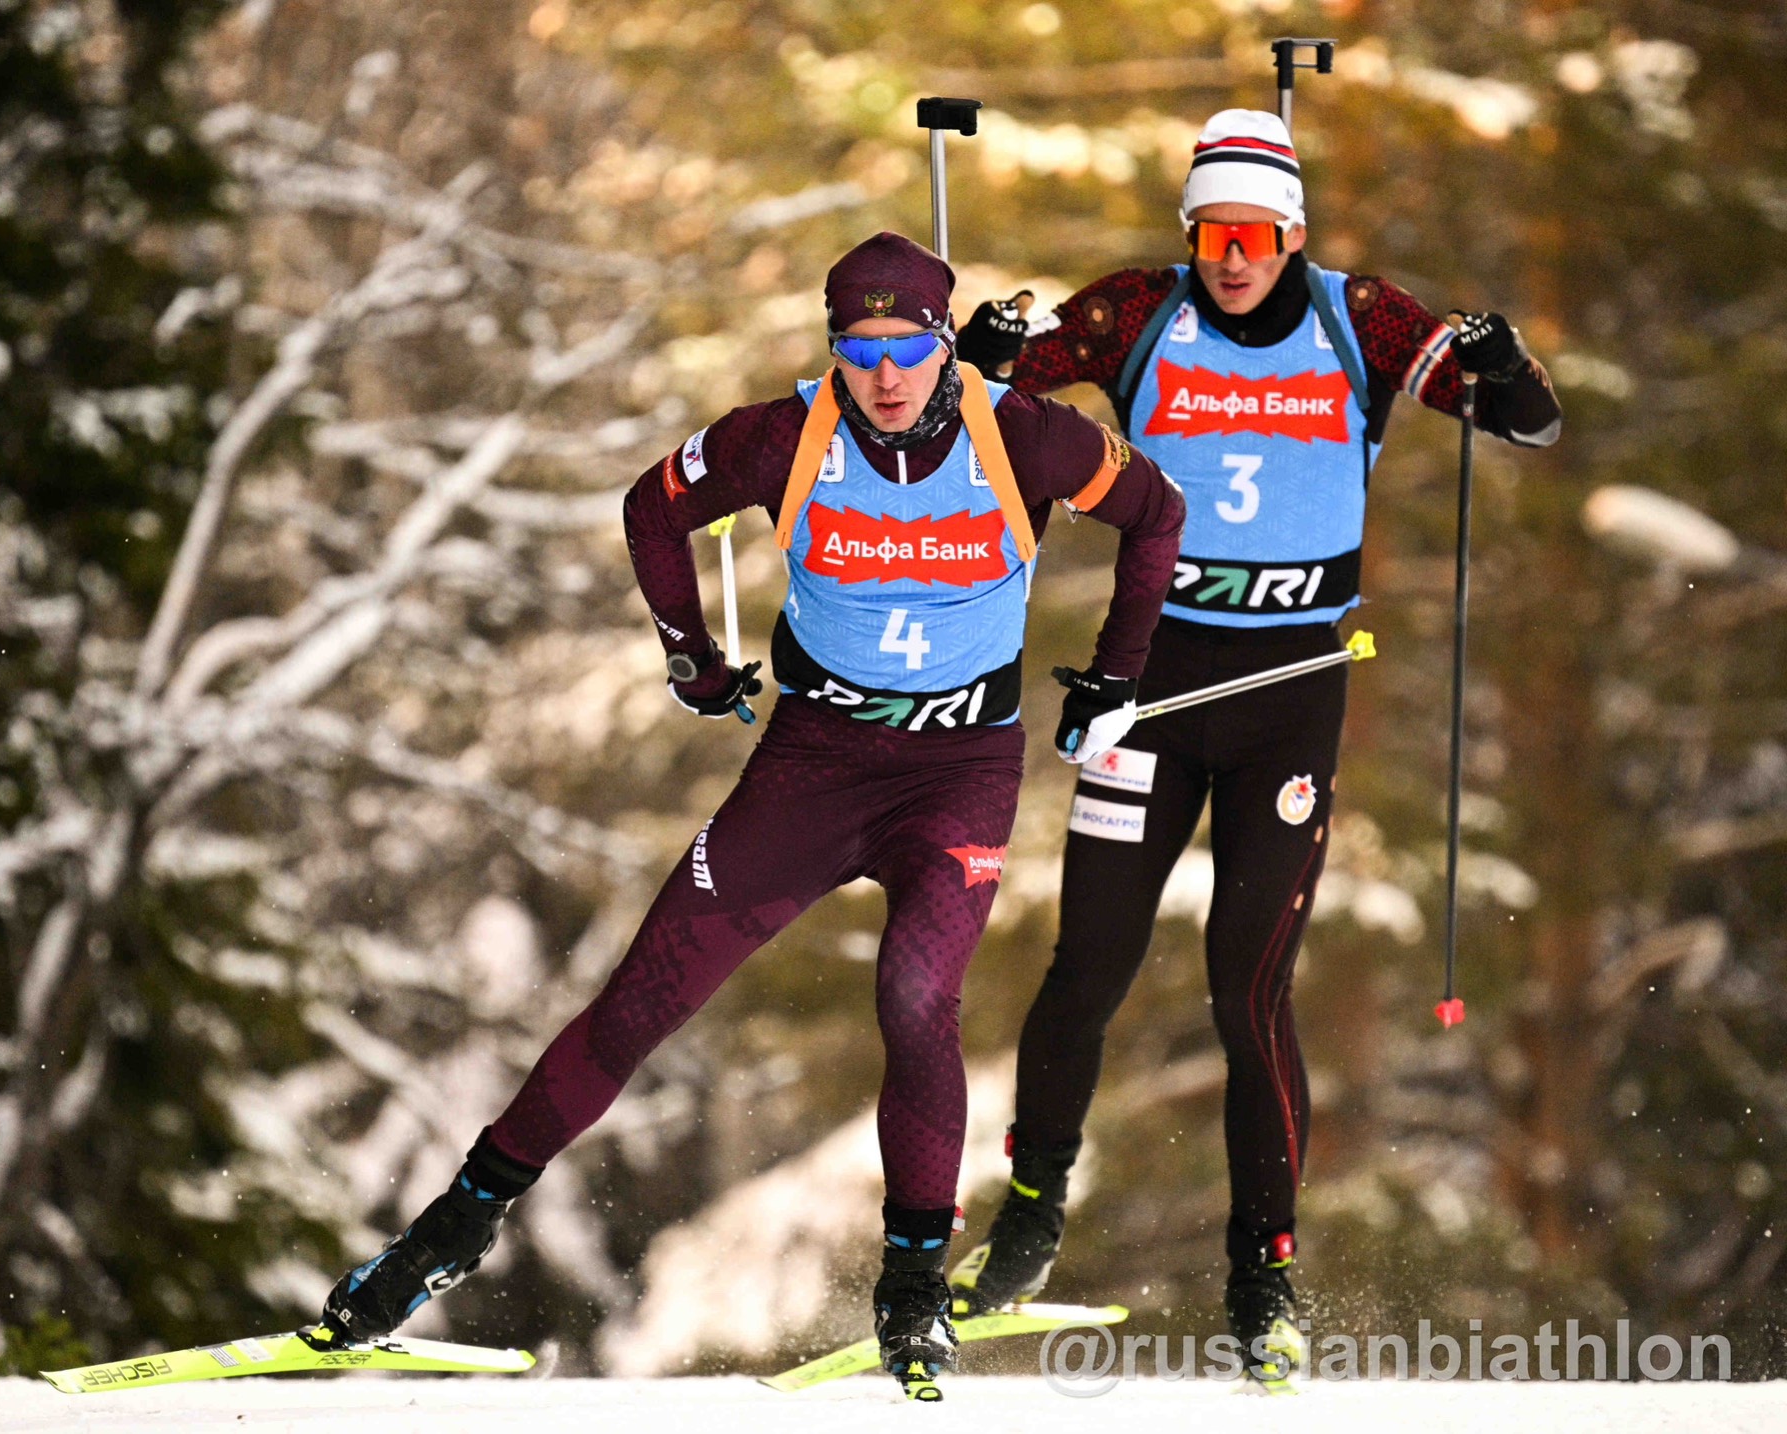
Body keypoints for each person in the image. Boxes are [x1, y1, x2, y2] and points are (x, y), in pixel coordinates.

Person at [312, 231, 1185, 1396]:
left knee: (916, 996)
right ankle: (448, 1233)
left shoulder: (1020, 433)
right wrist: (692, 663)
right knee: (639, 1002)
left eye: (909, 347)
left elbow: (1155, 513)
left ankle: (914, 1290)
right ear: (833, 349)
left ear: (943, 344)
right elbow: (649, 509)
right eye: (859, 349)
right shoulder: (781, 436)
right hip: (812, 764)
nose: (884, 375)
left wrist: (1116, 678)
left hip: (957, 771)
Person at [950, 109, 1563, 1389]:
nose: (1232, 258)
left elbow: (1525, 421)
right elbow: (978, 412)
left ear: (1291, 234)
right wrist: (980, 350)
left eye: (1256, 235)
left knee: (1250, 986)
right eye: (1213, 233)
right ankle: (1025, 1220)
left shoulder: (1359, 319)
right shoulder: (1134, 313)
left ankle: (1261, 1280)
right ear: (1192, 233)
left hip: (1289, 690)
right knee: (1087, 967)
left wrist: (1504, 368)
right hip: (1151, 687)